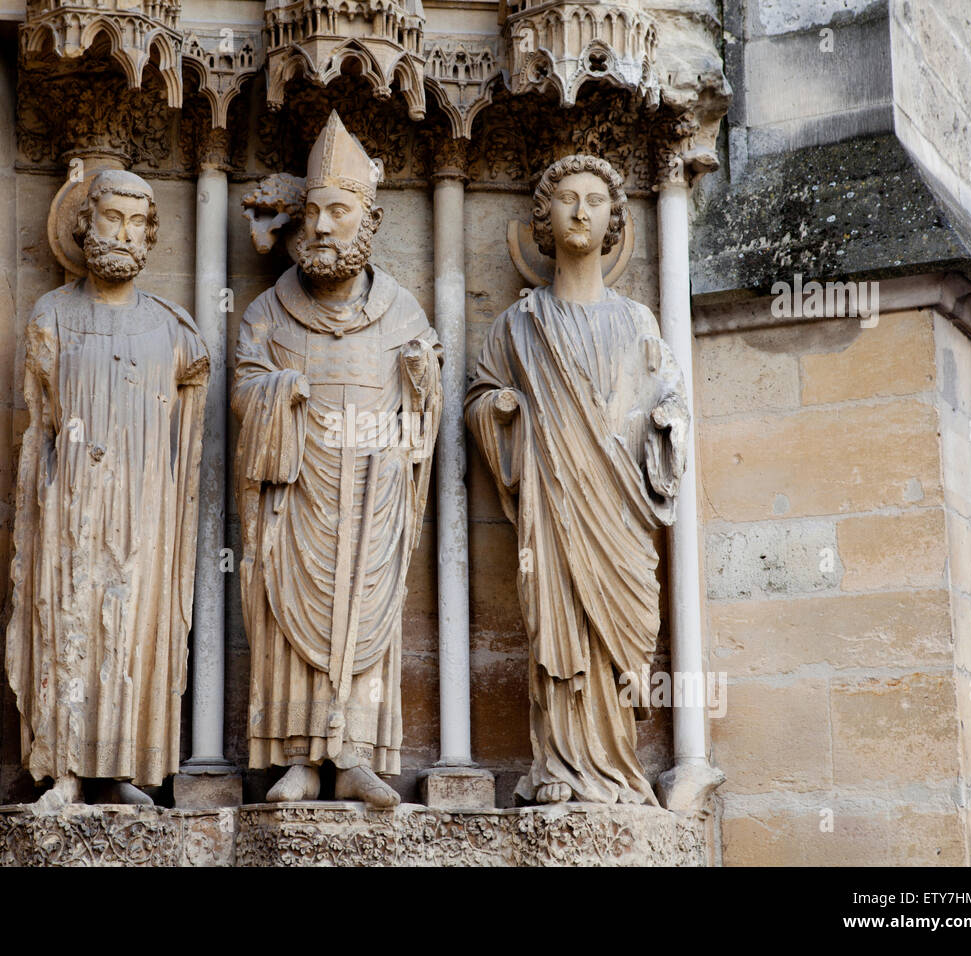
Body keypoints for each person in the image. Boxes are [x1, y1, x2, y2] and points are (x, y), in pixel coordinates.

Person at [465, 154, 689, 805]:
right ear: (544, 217)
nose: (582, 210)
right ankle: (560, 767)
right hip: (554, 515)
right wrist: (502, 413)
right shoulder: (518, 326)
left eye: (595, 199)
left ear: (617, 219)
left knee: (620, 638)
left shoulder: (638, 322)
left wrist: (667, 427)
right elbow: (481, 398)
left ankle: (617, 768)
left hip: (620, 518)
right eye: (567, 198)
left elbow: (669, 405)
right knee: (556, 635)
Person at [233, 112, 442, 807]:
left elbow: (425, 409)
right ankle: (297, 756)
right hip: (297, 493)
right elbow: (242, 388)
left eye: (339, 212)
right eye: (314, 212)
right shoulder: (266, 311)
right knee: (287, 614)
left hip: (374, 492)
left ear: (370, 220)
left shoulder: (403, 313)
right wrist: (279, 393)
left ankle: (356, 753)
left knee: (372, 613)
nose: (323, 227)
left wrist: (421, 385)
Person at [7, 170, 209, 810]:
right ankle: (64, 764)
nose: (120, 233)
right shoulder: (52, 316)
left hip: (145, 507)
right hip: (69, 503)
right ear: (84, 225)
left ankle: (121, 763)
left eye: (133, 223)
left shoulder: (177, 334)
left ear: (149, 236)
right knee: (68, 619)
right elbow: (38, 425)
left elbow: (189, 444)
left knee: (130, 626)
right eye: (108, 218)